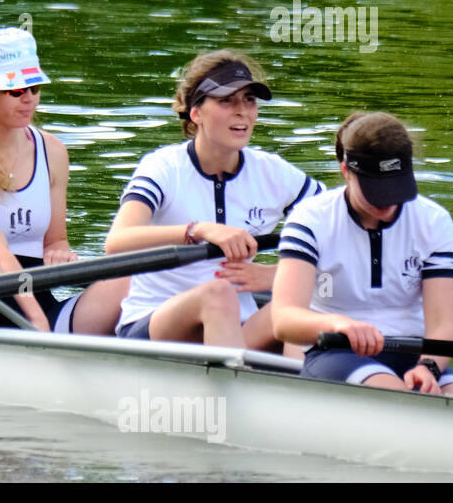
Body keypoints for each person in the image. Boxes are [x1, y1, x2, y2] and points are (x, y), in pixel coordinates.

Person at [105, 50, 323, 349]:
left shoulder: (274, 173)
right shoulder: (164, 167)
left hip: (239, 328)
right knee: (218, 293)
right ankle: (233, 391)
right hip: (157, 324)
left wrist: (278, 275)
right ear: (196, 114)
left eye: (249, 100)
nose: (242, 111)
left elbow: (344, 229)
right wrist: (198, 230)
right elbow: (117, 242)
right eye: (226, 101)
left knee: (300, 303)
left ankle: (302, 390)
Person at [0, 27, 125, 333]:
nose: (29, 99)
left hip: (38, 300)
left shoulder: (53, 151)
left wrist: (60, 252)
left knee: (130, 277)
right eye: (16, 91)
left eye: (34, 87)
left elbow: (56, 240)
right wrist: (38, 324)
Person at [271, 112, 453, 396]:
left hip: (414, 354)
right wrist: (338, 324)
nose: (389, 202)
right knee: (402, 400)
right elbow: (283, 320)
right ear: (346, 172)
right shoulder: (310, 219)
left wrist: (428, 367)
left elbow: (442, 324)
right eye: (377, 191)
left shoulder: (433, 221)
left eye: (396, 188)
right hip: (334, 352)